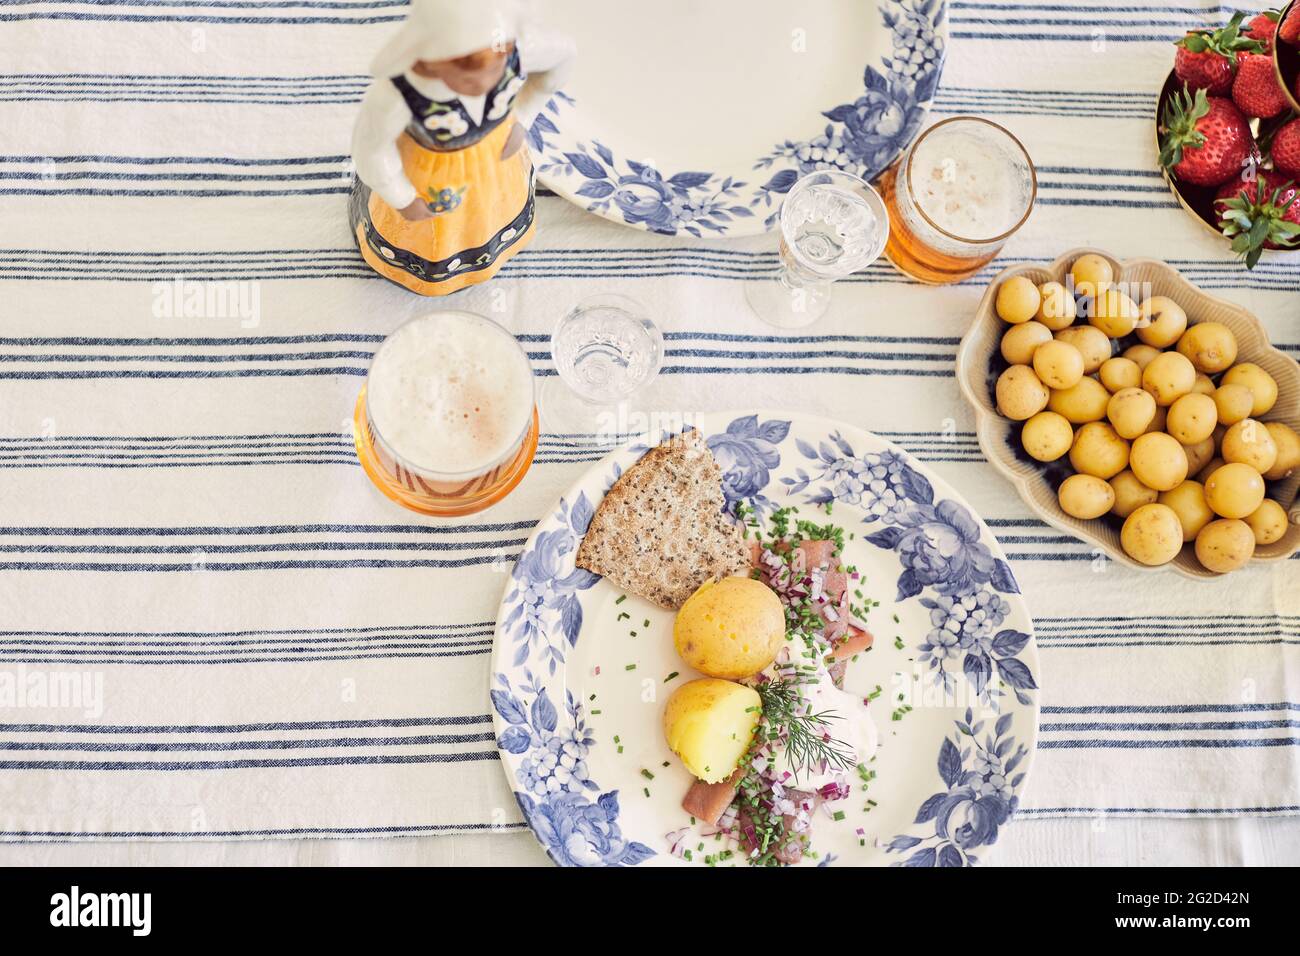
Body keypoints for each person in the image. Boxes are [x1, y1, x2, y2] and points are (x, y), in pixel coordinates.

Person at [349, 0, 575, 294]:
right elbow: (372, 149)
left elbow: (563, 57)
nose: (484, 83)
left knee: (491, 212)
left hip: (498, 156)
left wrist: (523, 116)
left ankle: (489, 252)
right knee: (435, 234)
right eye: (467, 78)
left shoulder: (512, 52)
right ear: (433, 60)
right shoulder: (398, 95)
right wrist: (402, 197)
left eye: (494, 71)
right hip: (429, 175)